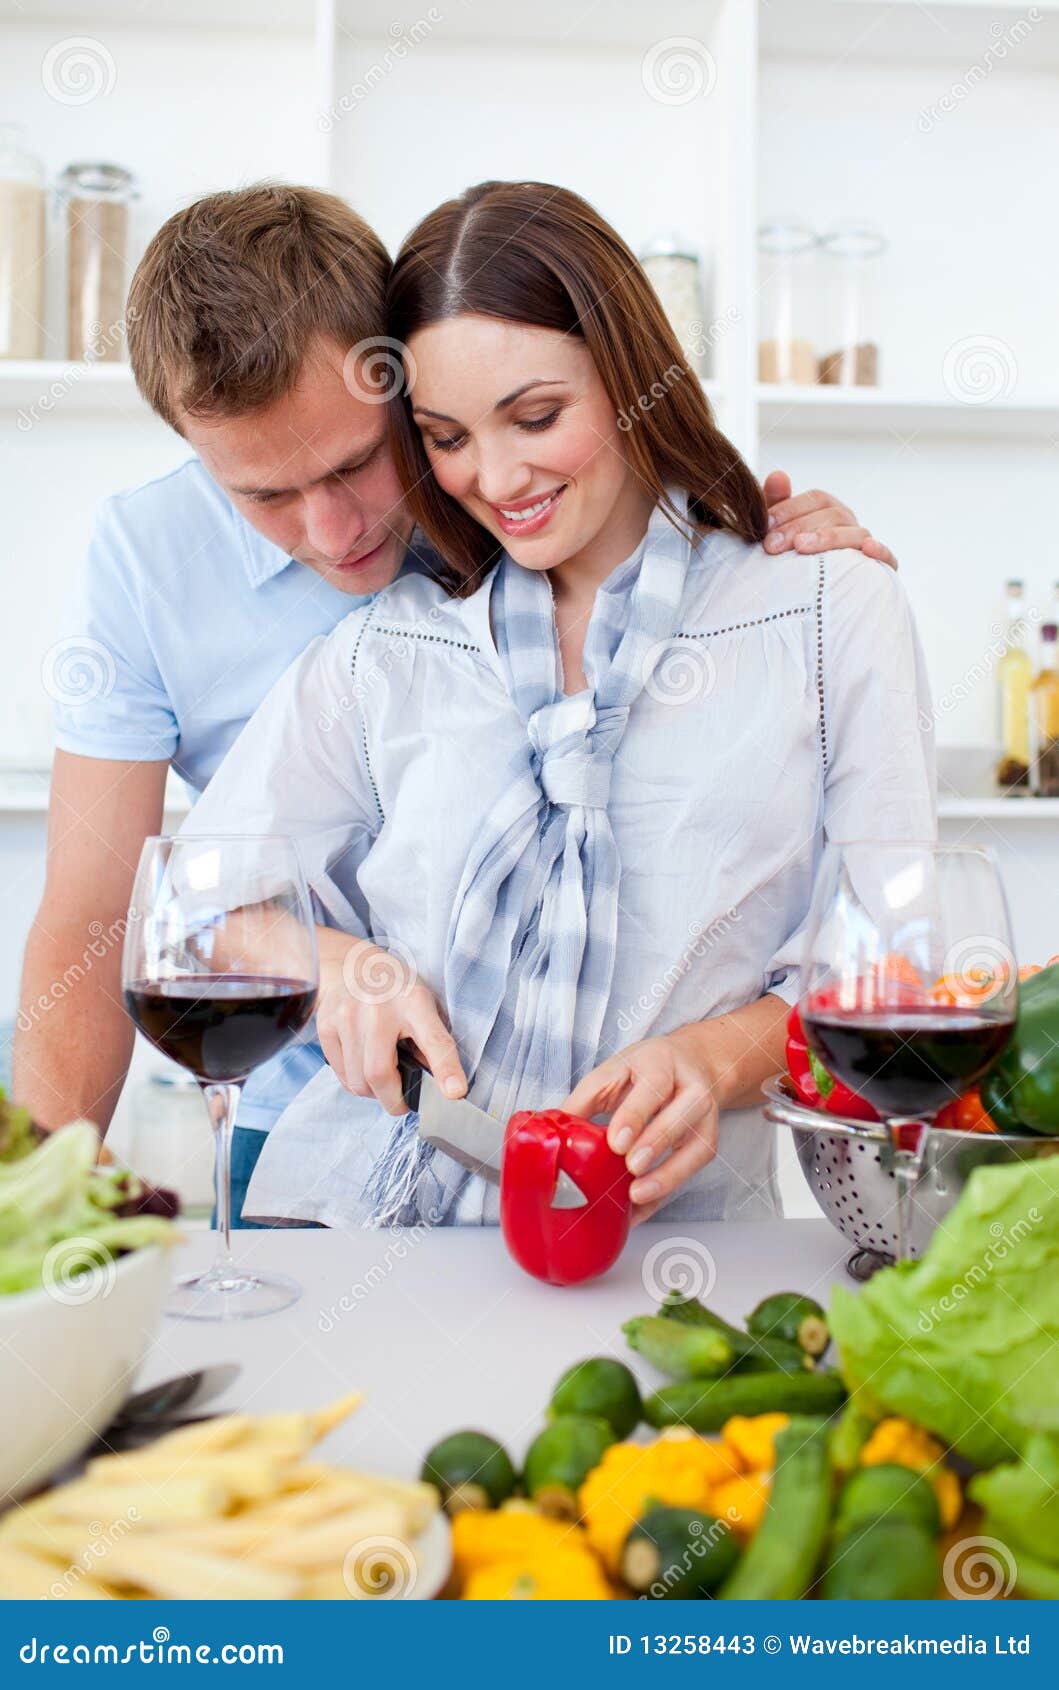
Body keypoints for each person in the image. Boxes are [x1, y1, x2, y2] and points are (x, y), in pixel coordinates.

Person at [14, 186, 895, 1225]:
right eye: (264, 496)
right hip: (315, 1129)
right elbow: (111, 911)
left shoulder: (526, 513)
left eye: (358, 462)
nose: (334, 529)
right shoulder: (171, 569)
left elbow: (867, 965)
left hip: (639, 1195)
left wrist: (766, 544)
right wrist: (36, 1222)